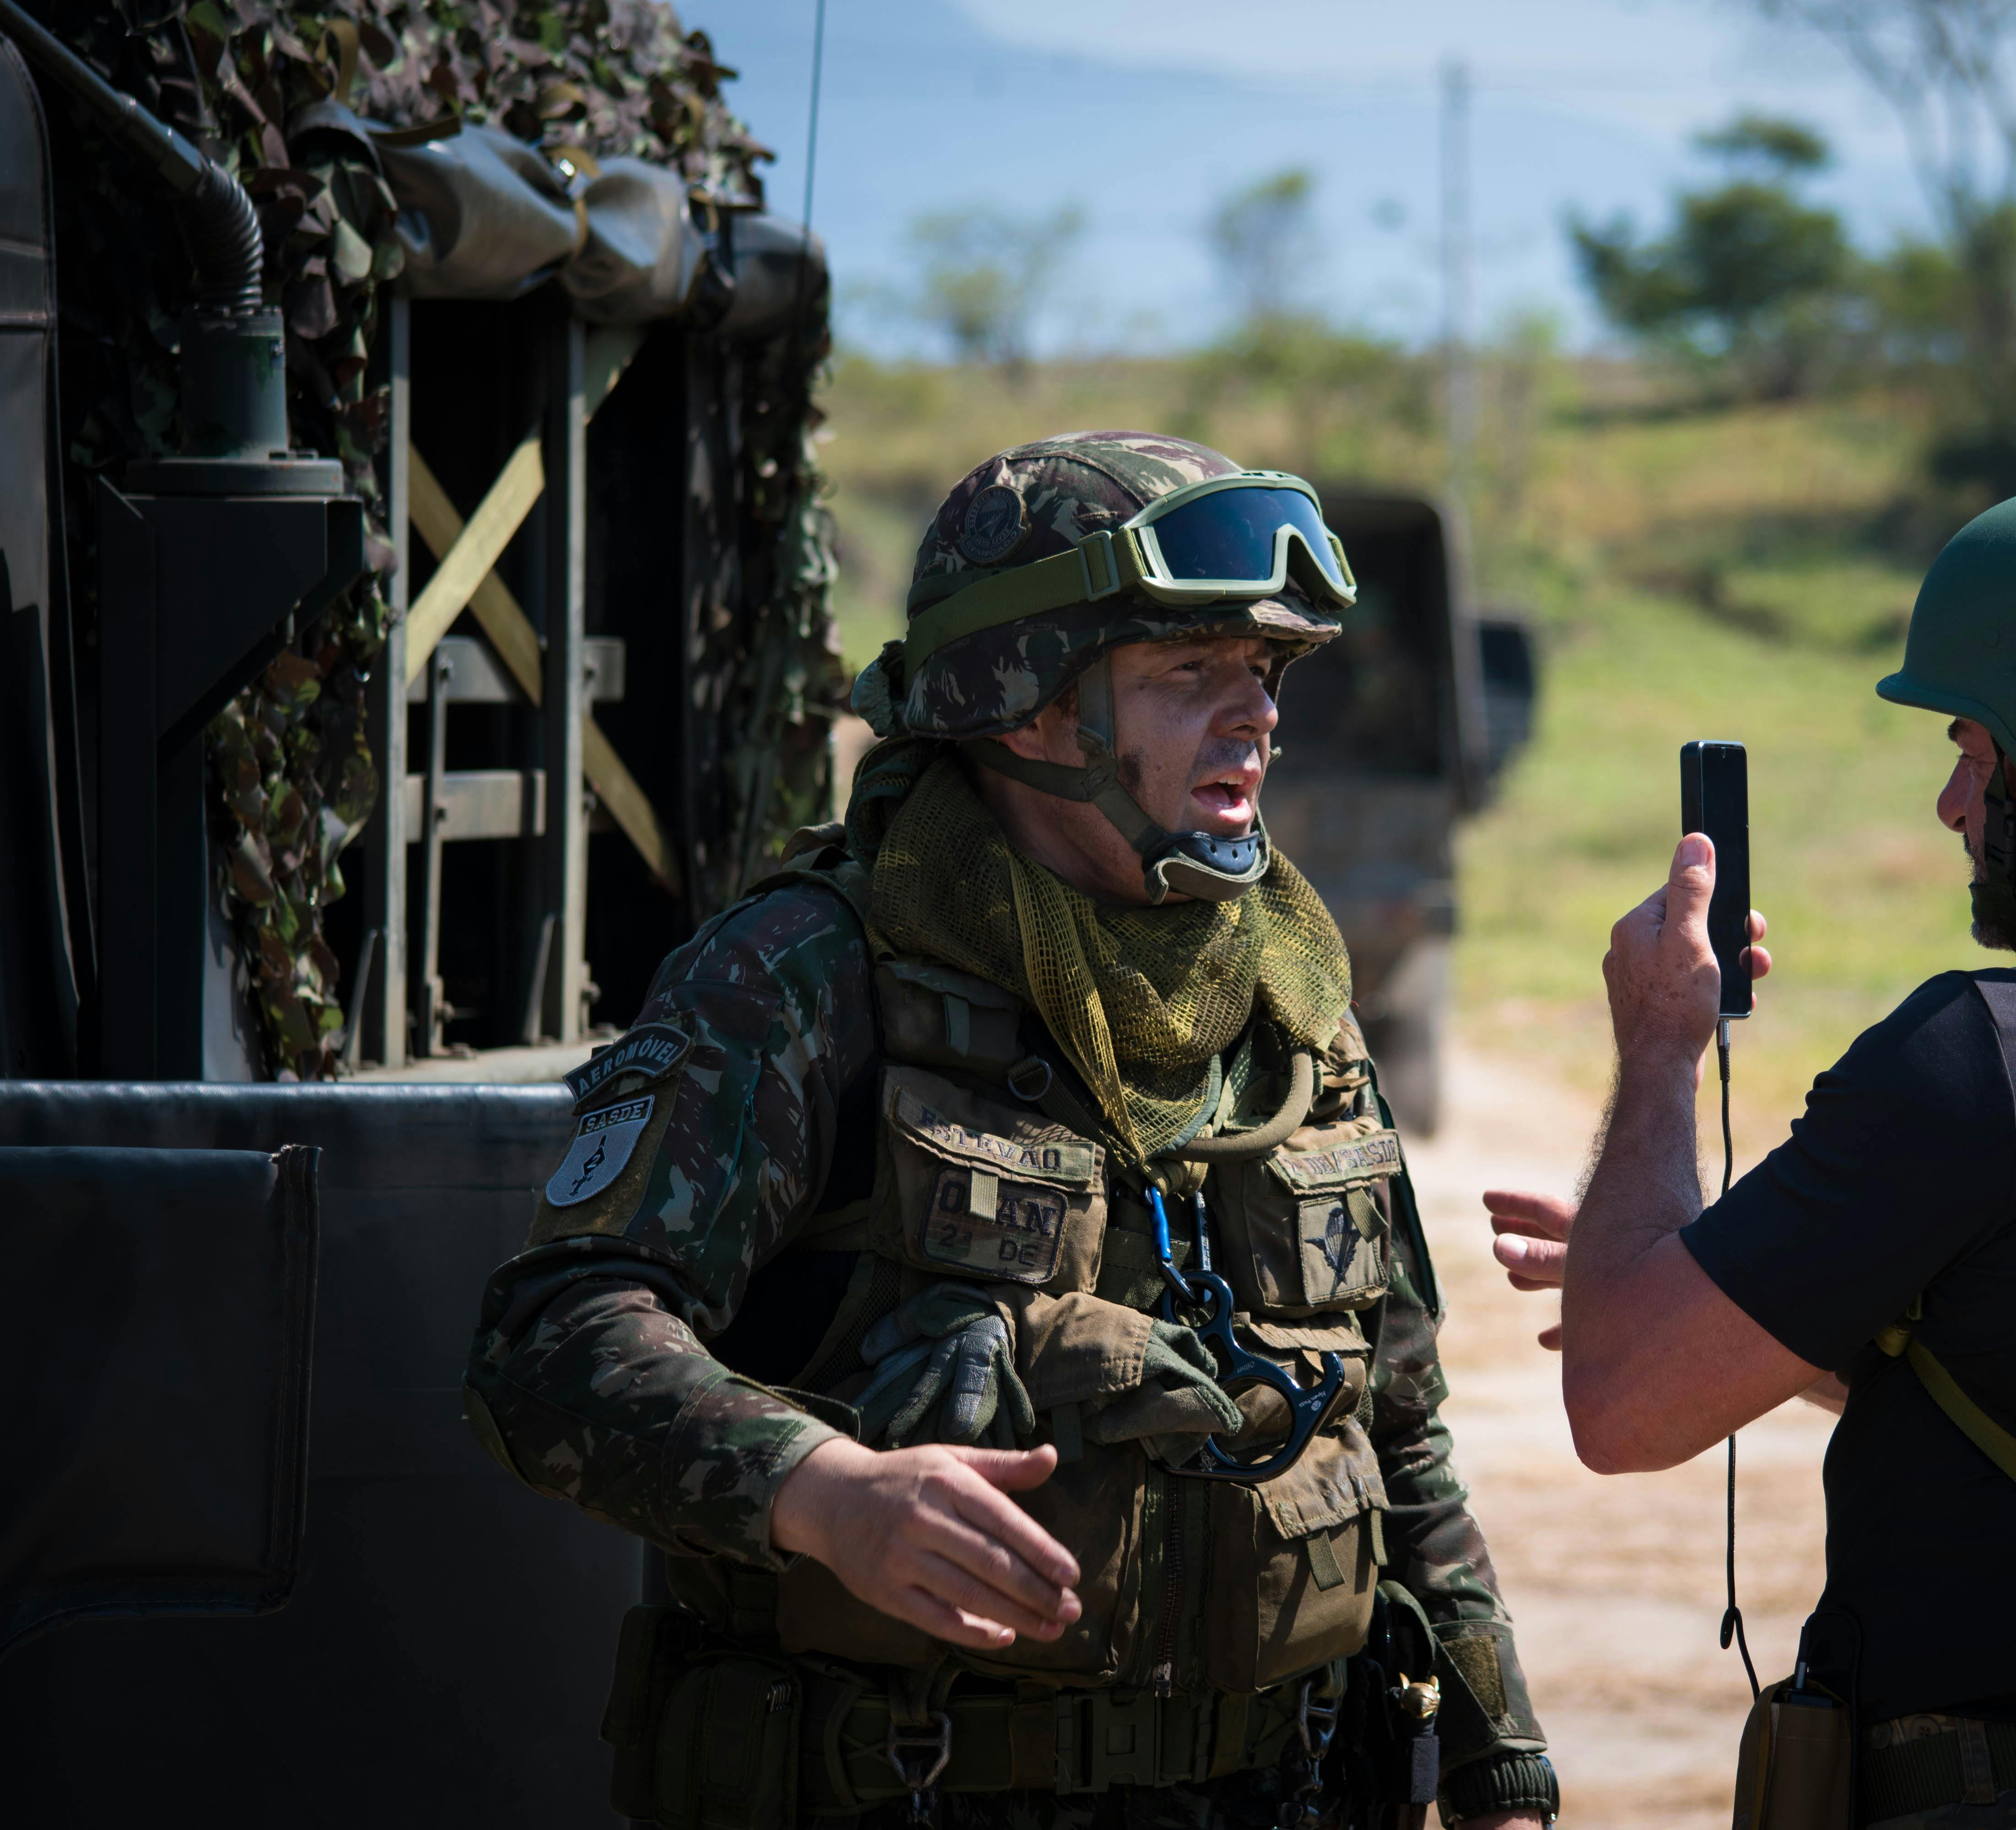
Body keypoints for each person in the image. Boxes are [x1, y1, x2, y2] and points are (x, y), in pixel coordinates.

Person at [466, 431, 1559, 1830]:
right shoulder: (808, 976)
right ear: (1026, 710)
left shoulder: (1291, 999)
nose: (1258, 720)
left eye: (1266, 674)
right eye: (1188, 675)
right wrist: (825, 1492)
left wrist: (1499, 1762)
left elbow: (1399, 1432)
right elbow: (550, 1339)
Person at [1490, 476, 2016, 1828]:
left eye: (1975, 748)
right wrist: (1753, 1289)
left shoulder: (1989, 1058)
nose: (1955, 805)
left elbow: (1622, 1408)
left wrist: (1662, 1045)